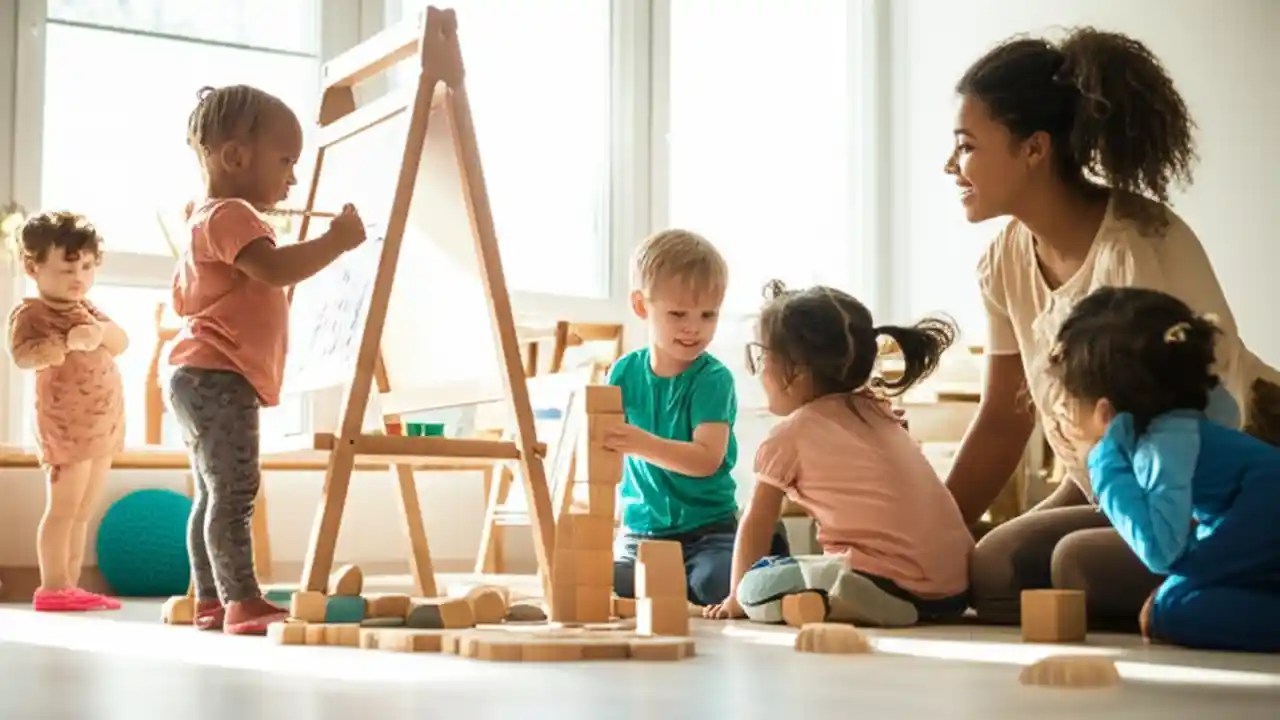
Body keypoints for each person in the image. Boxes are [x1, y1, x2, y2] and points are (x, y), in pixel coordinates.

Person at [942, 27, 1280, 625]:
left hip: (1218, 487)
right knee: (991, 567)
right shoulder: (1003, 261)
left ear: (1034, 149)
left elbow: (1190, 433)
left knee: (1075, 563)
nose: (951, 165)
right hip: (1123, 479)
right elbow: (1003, 417)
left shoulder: (1136, 247)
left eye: (966, 145)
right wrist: (929, 534)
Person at [170, 84, 366, 634]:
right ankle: (240, 601)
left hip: (200, 375)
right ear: (235, 157)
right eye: (286, 161)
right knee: (234, 492)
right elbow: (277, 270)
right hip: (217, 376)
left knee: (212, 491)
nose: (294, 179)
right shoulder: (230, 213)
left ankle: (211, 599)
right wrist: (337, 241)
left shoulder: (210, 216)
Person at [703, 281, 972, 625]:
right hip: (954, 590)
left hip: (885, 581)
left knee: (756, 586)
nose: (758, 371)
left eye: (761, 356)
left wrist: (736, 599)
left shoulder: (790, 435)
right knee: (812, 570)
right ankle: (868, 600)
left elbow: (757, 521)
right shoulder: (878, 411)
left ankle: (862, 601)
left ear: (796, 371)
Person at [1049, 286, 1280, 652]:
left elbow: (1161, 552)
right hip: (1257, 517)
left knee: (1169, 608)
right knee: (1175, 594)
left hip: (1264, 509)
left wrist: (1104, 459)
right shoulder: (1188, 418)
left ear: (1105, 410)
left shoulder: (1163, 444)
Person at [605, 229, 787, 606]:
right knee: (609, 582)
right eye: (677, 314)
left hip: (707, 529)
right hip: (642, 531)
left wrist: (639, 442)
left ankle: (764, 549)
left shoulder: (712, 379)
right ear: (641, 306)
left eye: (708, 315)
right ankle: (674, 578)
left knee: (713, 585)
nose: (694, 327)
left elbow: (706, 459)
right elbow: (606, 451)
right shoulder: (622, 373)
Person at [7, 211, 127, 612]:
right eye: (67, 267)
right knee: (62, 508)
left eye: (88, 266)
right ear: (33, 266)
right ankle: (52, 586)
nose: (79, 276)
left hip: (101, 424)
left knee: (82, 511)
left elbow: (121, 342)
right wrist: (67, 343)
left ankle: (71, 586)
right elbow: (23, 357)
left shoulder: (88, 308)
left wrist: (97, 332)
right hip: (65, 427)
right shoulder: (32, 313)